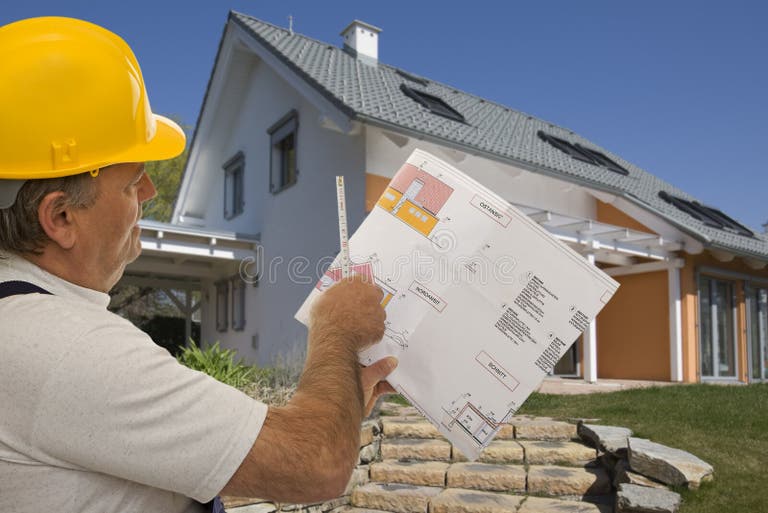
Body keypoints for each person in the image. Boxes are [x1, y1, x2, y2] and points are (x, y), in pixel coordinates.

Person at [0, 16, 396, 513]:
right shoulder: (64, 345)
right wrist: (336, 330)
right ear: (60, 216)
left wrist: (335, 401)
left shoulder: (26, 329)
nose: (150, 191)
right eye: (130, 183)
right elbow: (318, 464)